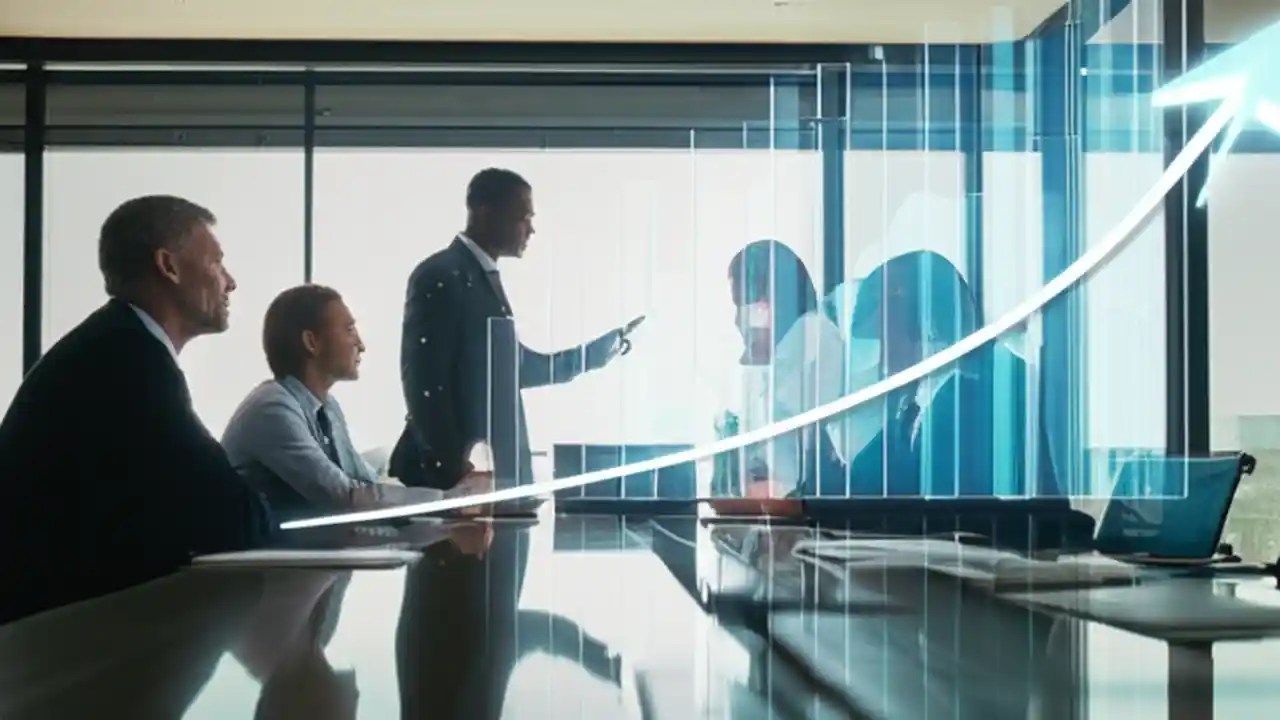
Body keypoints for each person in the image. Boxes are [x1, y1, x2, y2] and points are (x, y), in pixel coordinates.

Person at [0, 195, 274, 625]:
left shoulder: (116, 344)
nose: (231, 281)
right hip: (52, 640)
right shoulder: (128, 360)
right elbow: (231, 518)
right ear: (168, 266)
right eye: (217, 263)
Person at [390, 168, 642, 492]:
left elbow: (514, 368)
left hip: (480, 475)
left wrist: (593, 355)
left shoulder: (475, 275)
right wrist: (454, 470)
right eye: (524, 217)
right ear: (485, 212)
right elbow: (423, 381)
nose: (531, 229)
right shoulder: (441, 275)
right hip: (454, 482)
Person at [221, 285, 378, 522]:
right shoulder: (272, 408)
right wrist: (430, 502)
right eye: (349, 330)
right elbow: (342, 496)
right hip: (254, 543)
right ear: (311, 342)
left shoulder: (328, 407)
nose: (361, 344)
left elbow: (366, 481)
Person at [721, 239, 846, 498]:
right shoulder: (774, 354)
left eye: (743, 305)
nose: (737, 320)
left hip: (804, 503)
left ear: (769, 300)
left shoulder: (816, 336)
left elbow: (809, 432)